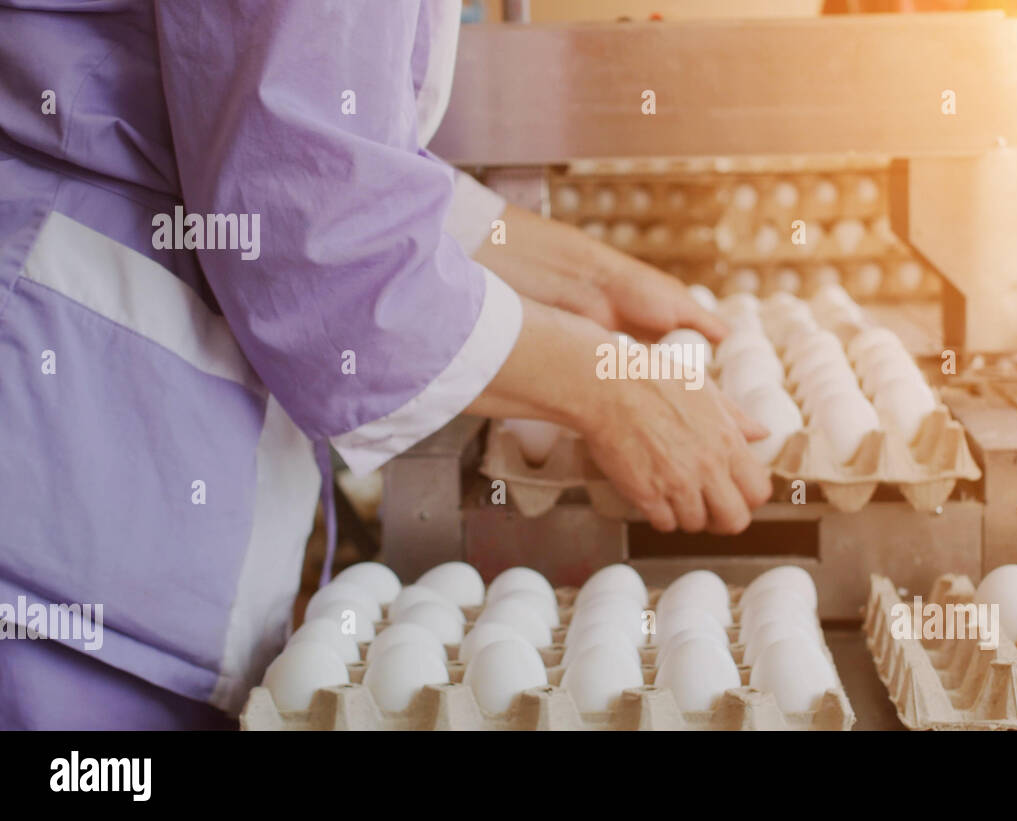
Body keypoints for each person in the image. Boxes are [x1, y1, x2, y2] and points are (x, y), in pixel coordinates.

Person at [0, 0, 771, 730]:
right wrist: (611, 390)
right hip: (60, 501)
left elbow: (312, 153)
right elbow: (319, 243)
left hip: (106, 478)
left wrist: (594, 282)